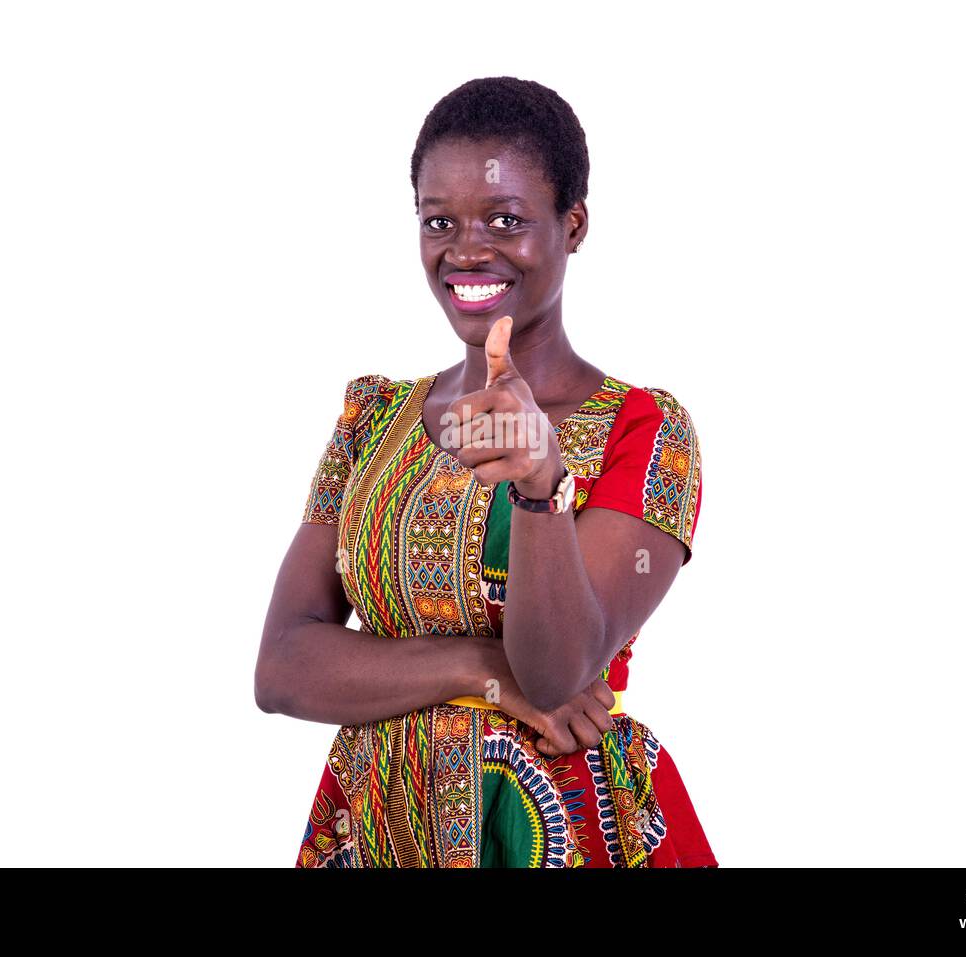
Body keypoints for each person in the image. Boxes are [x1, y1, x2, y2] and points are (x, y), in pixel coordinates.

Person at [255, 76, 719, 868]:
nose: (466, 249)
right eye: (440, 221)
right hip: (382, 826)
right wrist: (479, 668)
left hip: (561, 828)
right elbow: (285, 665)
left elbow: (556, 671)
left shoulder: (645, 430)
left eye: (506, 219)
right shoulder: (372, 419)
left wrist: (541, 489)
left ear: (572, 226)